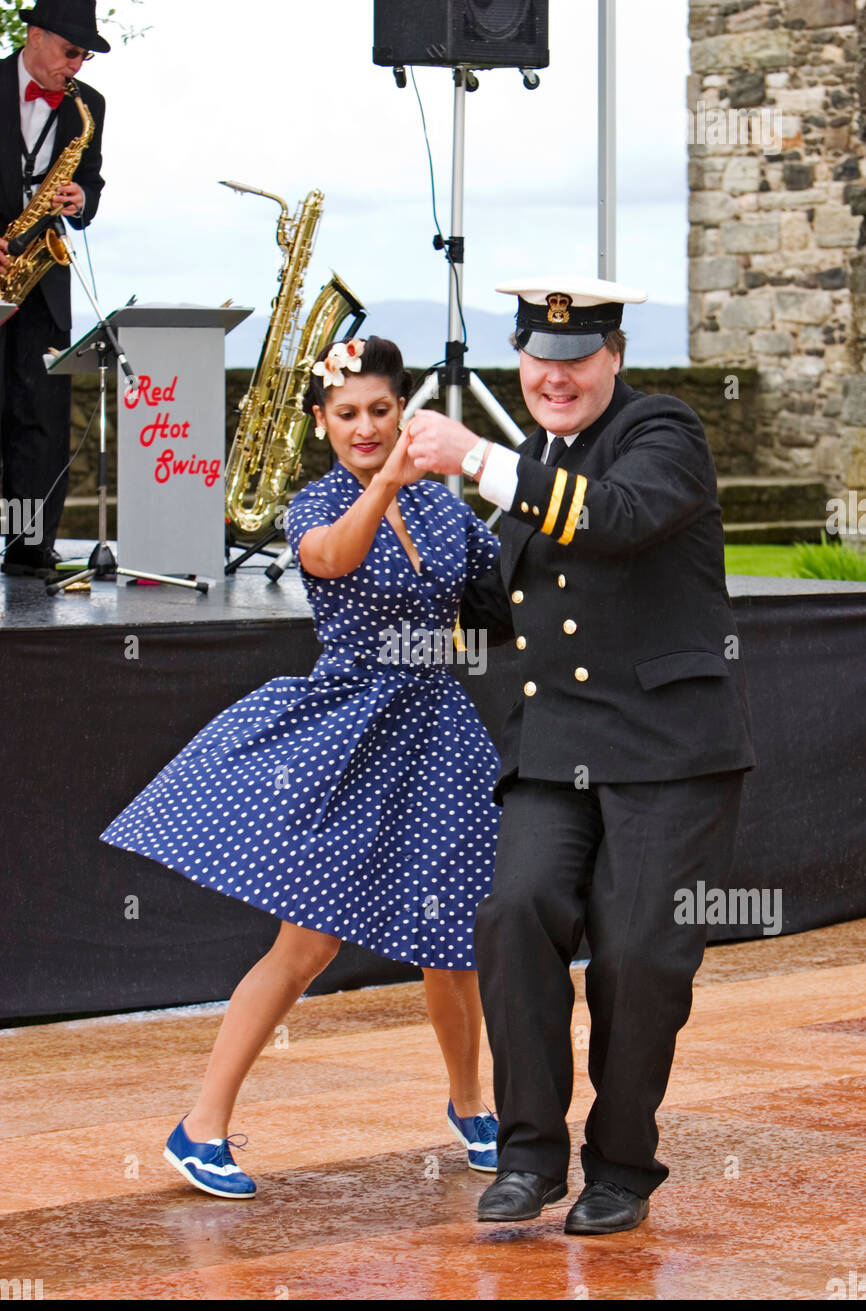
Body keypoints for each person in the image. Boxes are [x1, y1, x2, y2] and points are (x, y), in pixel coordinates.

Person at [100, 335, 503, 1197]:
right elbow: (334, 560)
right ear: (323, 422)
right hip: (352, 728)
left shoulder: (447, 510)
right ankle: (201, 1124)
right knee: (306, 944)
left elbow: (505, 594)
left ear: (406, 412)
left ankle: (473, 1103)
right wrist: (389, 480)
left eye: (382, 411)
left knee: (454, 939)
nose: (366, 426)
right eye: (348, 413)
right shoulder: (315, 506)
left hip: (438, 730)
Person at [406, 277, 756, 1234]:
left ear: (612, 358)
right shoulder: (527, 459)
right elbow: (497, 613)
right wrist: (391, 524)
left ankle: (622, 1165)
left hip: (667, 751)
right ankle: (527, 1157)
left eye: (574, 361)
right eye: (537, 362)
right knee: (514, 915)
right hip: (555, 748)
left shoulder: (664, 433)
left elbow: (613, 518)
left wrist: (469, 454)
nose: (554, 379)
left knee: (639, 959)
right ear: (517, 362)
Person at [0, 0, 108, 579]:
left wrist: (80, 200)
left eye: (85, 56)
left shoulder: (89, 106)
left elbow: (91, 178)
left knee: (40, 420)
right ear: (35, 36)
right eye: (71, 52)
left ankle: (28, 548)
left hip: (41, 278)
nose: (78, 67)